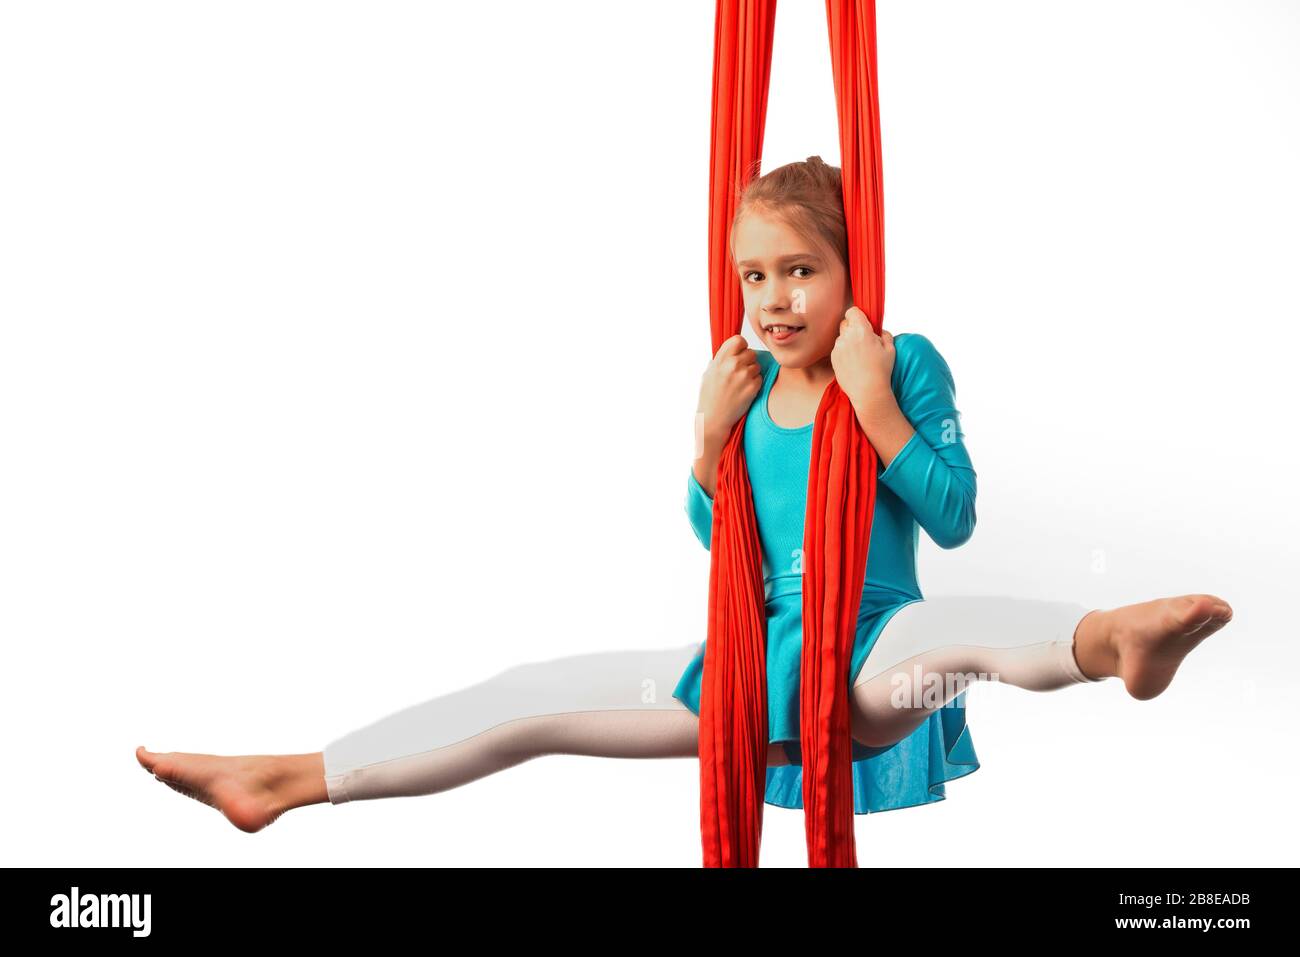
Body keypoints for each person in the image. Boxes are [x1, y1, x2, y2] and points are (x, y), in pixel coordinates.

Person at [134, 157, 1233, 836]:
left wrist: (877, 407)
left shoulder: (893, 361)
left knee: (962, 635)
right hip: (748, 670)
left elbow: (952, 515)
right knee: (528, 700)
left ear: (854, 270)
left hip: (869, 656)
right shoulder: (741, 383)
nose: (773, 298)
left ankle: (1109, 640)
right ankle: (284, 779)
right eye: (754, 276)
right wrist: (706, 441)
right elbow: (724, 539)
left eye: (799, 269)